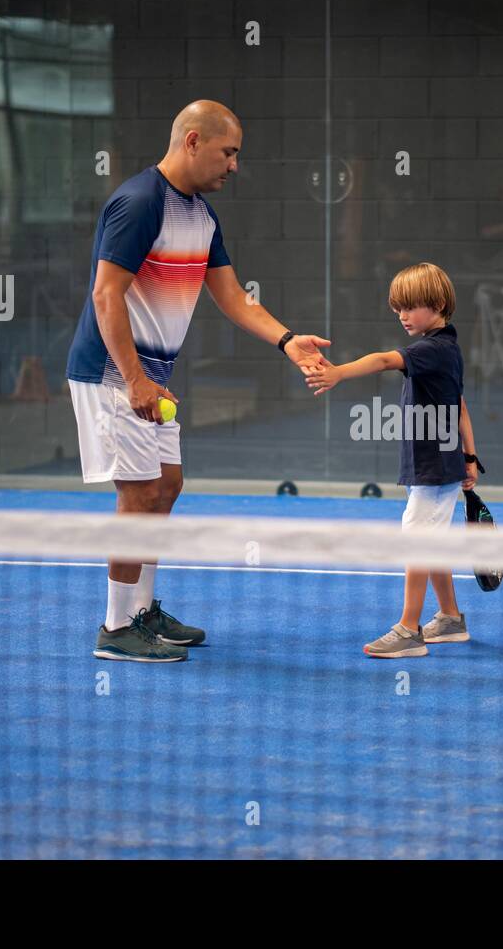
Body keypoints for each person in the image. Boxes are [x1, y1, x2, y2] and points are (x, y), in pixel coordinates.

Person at [66, 99, 330, 662]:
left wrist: (287, 340)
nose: (234, 165)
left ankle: (142, 611)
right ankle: (115, 629)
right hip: (115, 375)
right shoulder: (139, 203)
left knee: (167, 484)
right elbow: (105, 294)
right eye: (228, 152)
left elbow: (232, 296)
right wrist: (134, 381)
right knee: (138, 492)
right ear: (191, 141)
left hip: (150, 379)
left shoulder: (203, 217)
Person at [305, 262, 481, 658]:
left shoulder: (432, 349)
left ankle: (408, 630)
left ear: (436, 304)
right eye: (397, 307)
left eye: (410, 306)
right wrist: (470, 457)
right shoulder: (447, 349)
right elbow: (461, 406)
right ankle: (450, 619)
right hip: (438, 467)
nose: (401, 315)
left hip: (435, 470)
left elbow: (383, 360)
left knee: (418, 541)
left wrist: (338, 373)